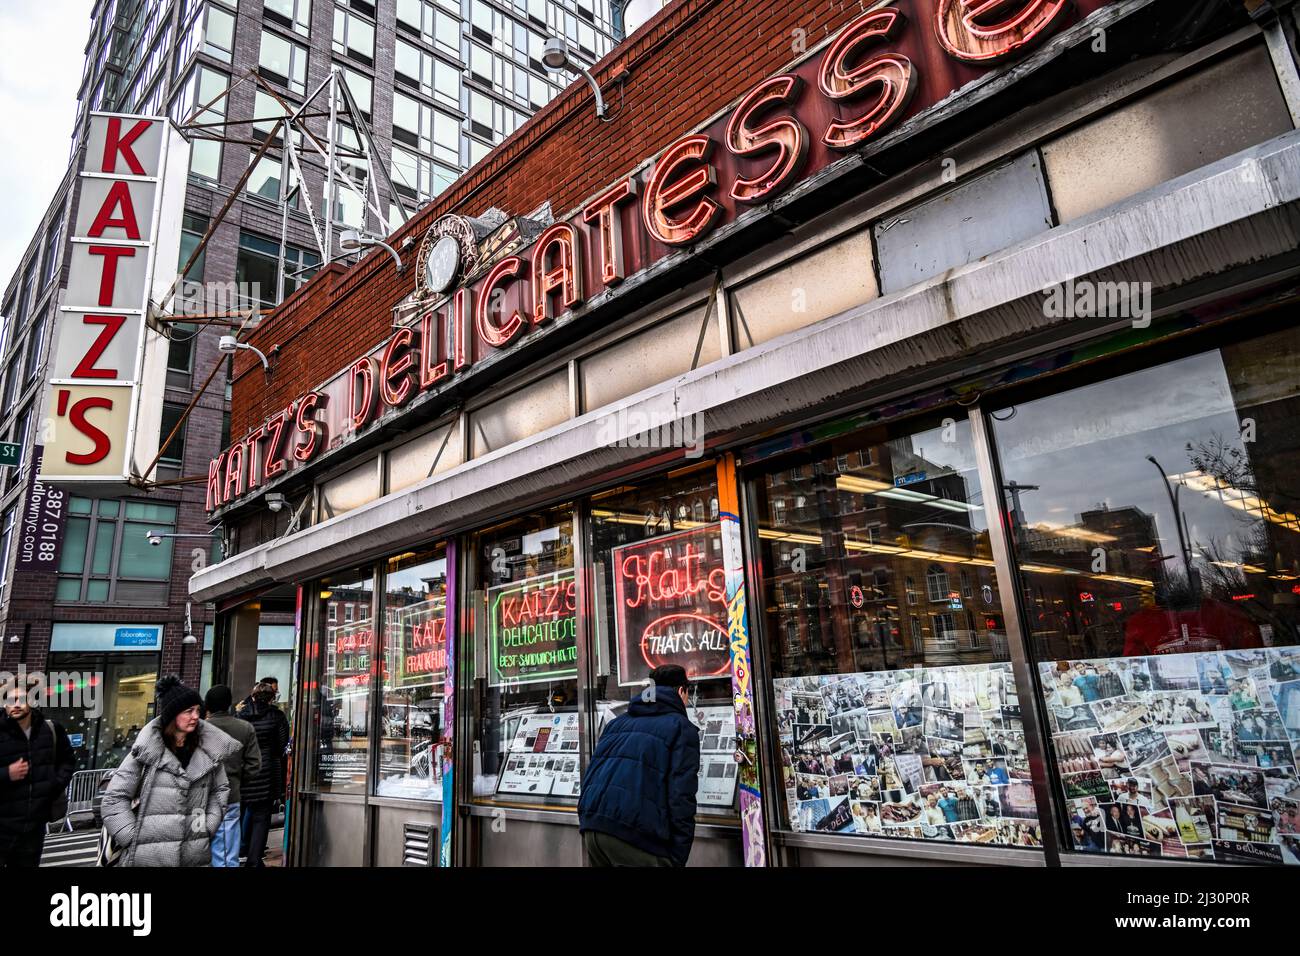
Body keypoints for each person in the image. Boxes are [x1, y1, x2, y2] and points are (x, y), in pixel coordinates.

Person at [100, 676, 239, 867]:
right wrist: (132, 837)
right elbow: (114, 799)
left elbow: (220, 790)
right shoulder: (147, 751)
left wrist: (208, 828)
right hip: (149, 857)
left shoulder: (208, 751)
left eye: (198, 710)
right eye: (189, 711)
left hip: (193, 853)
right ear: (173, 715)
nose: (195, 716)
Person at [578, 664, 700, 867]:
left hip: (594, 827)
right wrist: (677, 855)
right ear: (681, 691)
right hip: (636, 837)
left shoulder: (617, 723)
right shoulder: (680, 727)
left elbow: (593, 774)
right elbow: (681, 795)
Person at [0, 689, 74, 867]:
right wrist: (6, 774)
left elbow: (68, 760)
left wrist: (53, 784)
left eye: (21, 699)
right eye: (11, 699)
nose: (16, 704)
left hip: (33, 828)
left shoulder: (50, 730)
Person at [203, 685, 262, 867]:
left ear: (207, 706)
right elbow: (254, 765)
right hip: (231, 795)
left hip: (202, 797)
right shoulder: (244, 728)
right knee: (228, 853)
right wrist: (237, 781)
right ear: (229, 704)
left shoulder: (200, 729)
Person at [238, 681, 291, 867]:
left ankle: (243, 847)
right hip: (268, 770)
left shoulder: (242, 716)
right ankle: (254, 858)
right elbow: (283, 743)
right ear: (272, 698)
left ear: (253, 696)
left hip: (248, 771)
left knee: (248, 809)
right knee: (262, 816)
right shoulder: (276, 716)